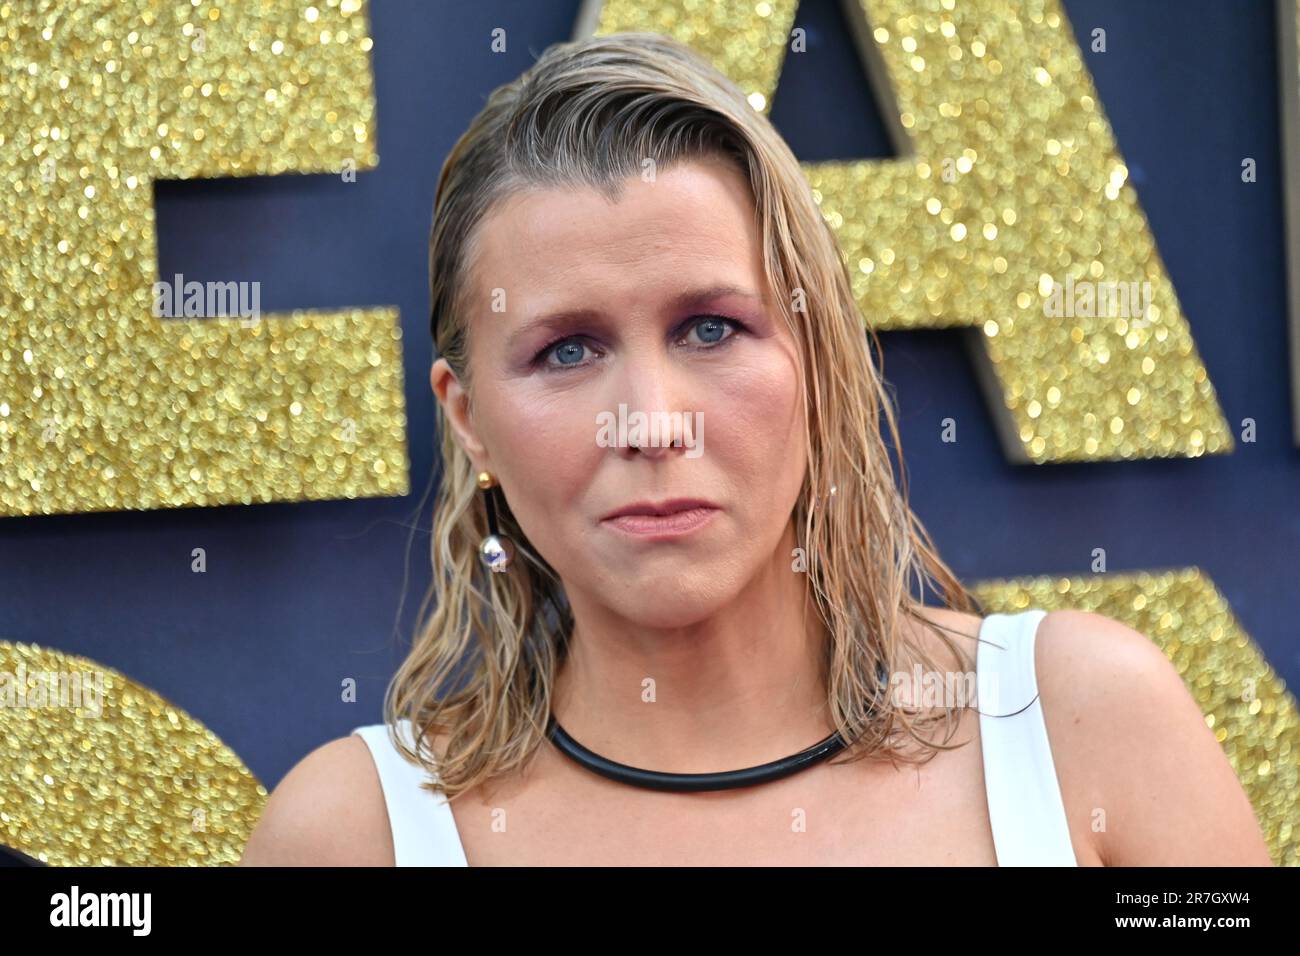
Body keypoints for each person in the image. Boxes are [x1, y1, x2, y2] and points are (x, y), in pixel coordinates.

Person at [240, 31, 1273, 867]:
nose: (650, 421)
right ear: (467, 419)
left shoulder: (1079, 722)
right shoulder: (353, 833)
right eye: (566, 350)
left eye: (710, 328)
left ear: (817, 356)